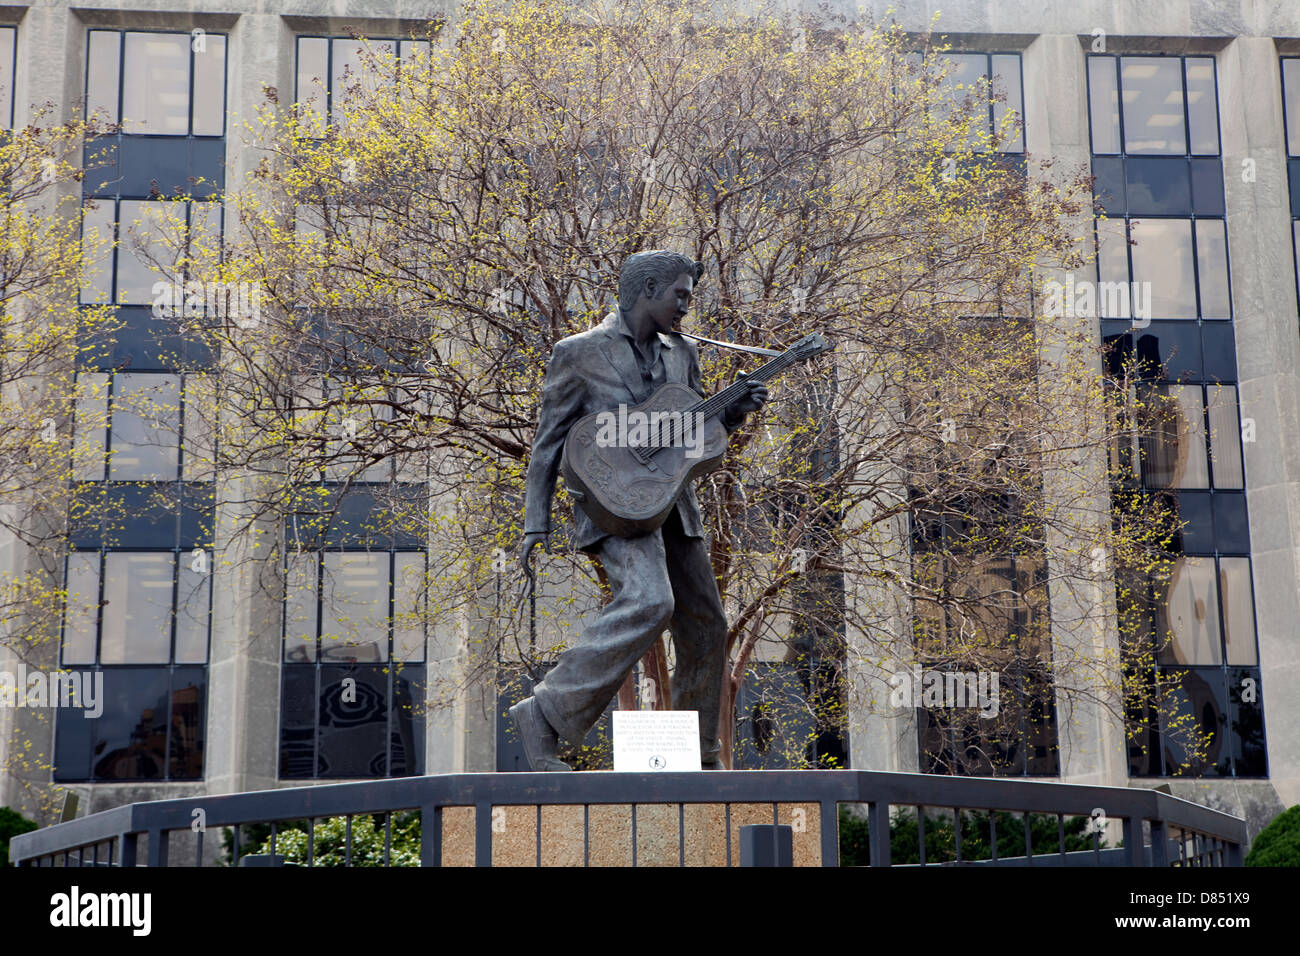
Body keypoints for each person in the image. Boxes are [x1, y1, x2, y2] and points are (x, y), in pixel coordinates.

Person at [512, 249, 768, 770]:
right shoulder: (579, 352)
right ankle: (542, 713)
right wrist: (534, 521)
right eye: (679, 295)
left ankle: (700, 754)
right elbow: (547, 444)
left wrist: (733, 415)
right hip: (616, 502)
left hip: (673, 503)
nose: (685, 307)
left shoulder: (682, 352)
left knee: (707, 625)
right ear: (647, 289)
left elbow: (691, 427)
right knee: (651, 602)